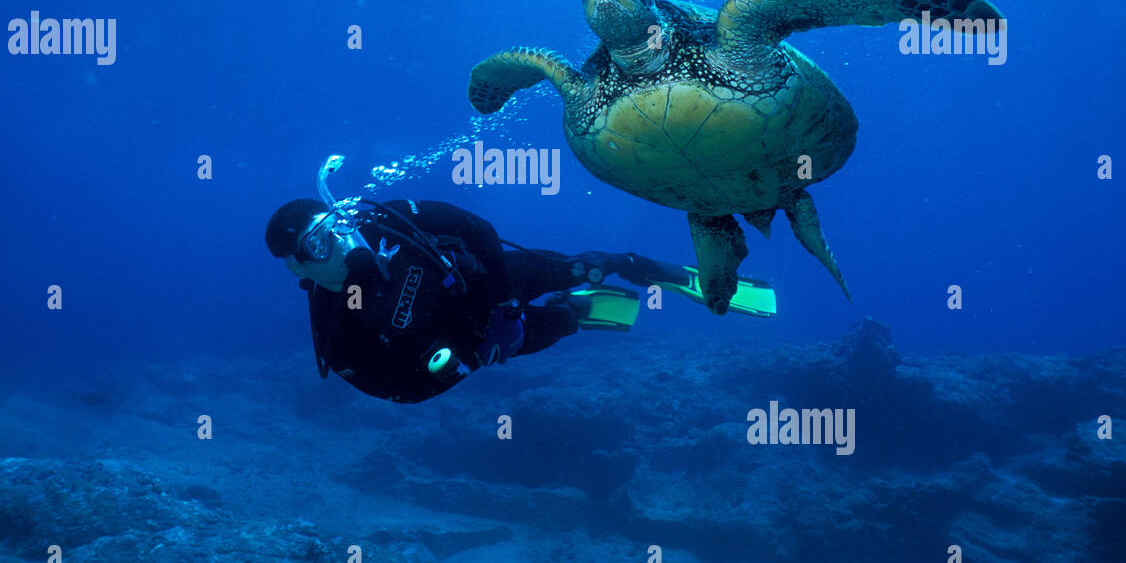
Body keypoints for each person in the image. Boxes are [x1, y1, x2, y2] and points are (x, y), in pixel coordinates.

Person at [265, 156, 775, 403]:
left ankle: (645, 268)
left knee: (582, 266)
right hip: (476, 343)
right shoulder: (337, 332)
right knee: (560, 323)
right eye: (317, 245)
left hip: (490, 280)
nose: (340, 244)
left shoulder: (386, 219)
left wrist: (505, 305)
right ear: (298, 267)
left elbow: (477, 229)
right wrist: (467, 362)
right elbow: (398, 393)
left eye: (336, 227)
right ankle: (578, 310)